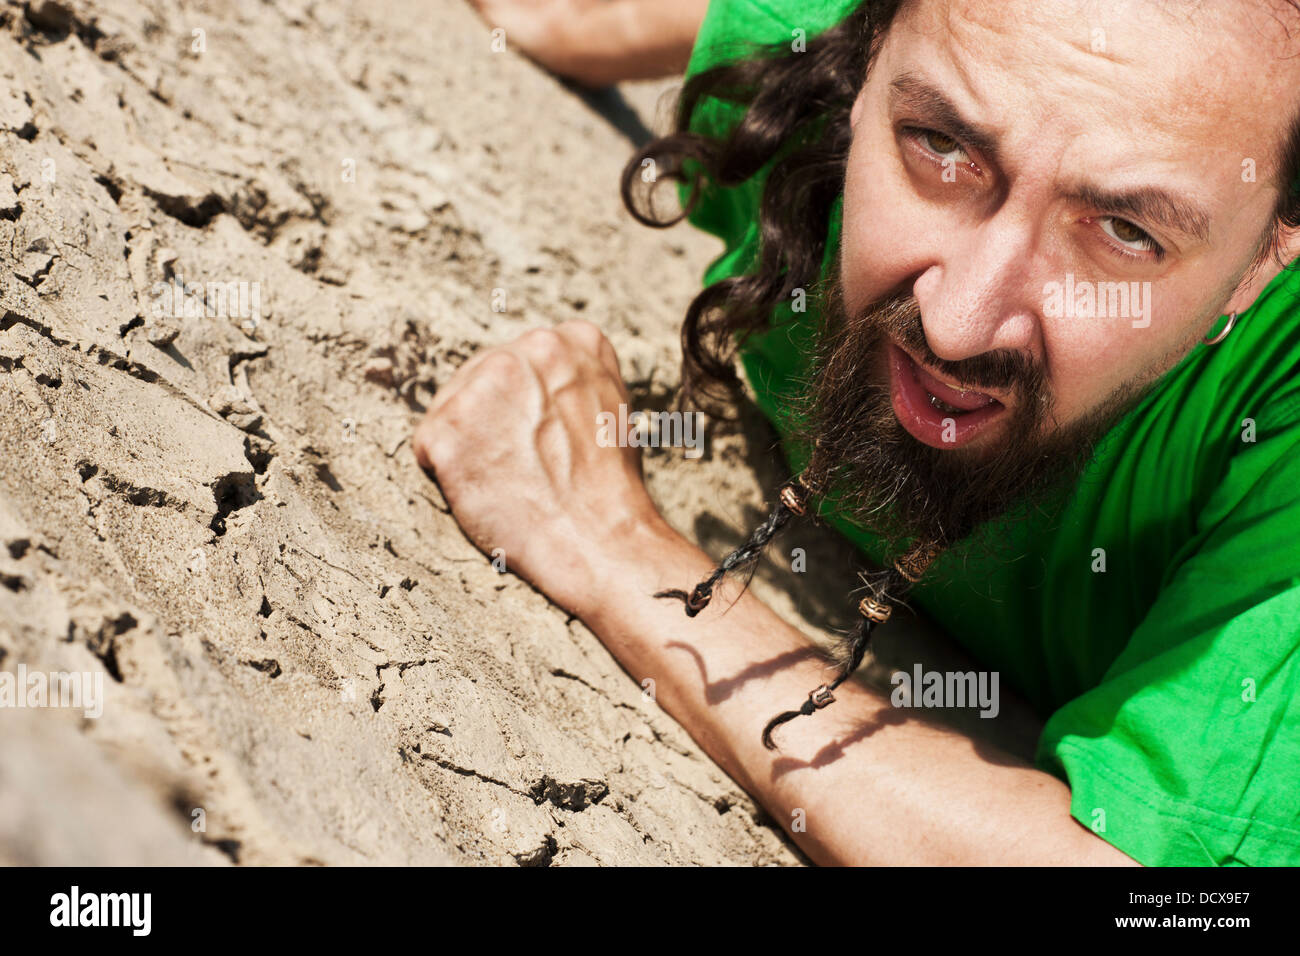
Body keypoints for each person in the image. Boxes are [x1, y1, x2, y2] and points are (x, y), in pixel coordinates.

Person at [421, 0, 1300, 865]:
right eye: (941, 146)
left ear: (1261, 265)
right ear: (864, 65)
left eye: (1123, 231)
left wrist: (607, 544)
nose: (957, 325)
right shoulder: (791, 82)